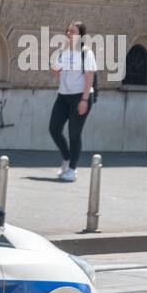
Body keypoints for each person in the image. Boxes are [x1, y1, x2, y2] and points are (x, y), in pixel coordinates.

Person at [48, 20, 97, 182]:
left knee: (74, 133)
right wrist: (54, 69)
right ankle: (67, 158)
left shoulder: (86, 53)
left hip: (80, 96)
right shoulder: (63, 51)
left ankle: (72, 169)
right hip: (63, 96)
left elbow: (90, 77)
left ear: (80, 36)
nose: (69, 34)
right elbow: (58, 75)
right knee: (54, 128)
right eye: (68, 31)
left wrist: (84, 100)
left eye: (73, 32)